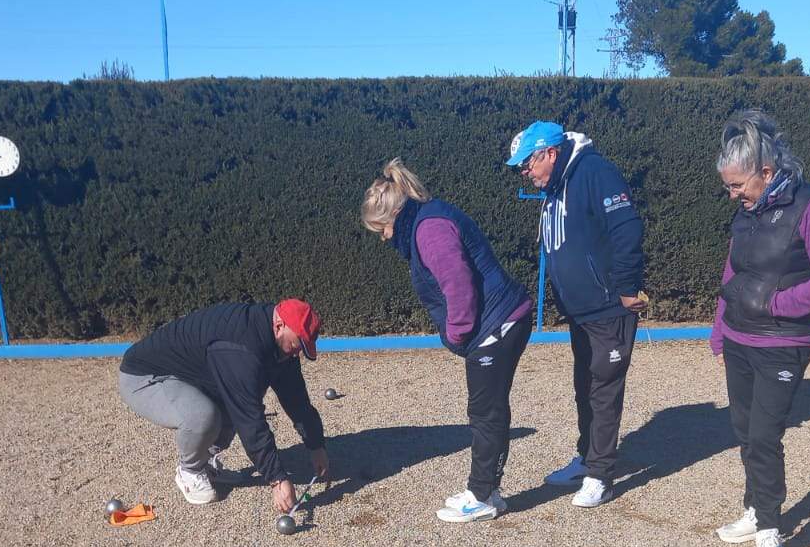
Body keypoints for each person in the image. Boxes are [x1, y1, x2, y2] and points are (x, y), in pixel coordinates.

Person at [709, 109, 810, 547]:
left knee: (764, 436)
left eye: (737, 185)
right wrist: (720, 328)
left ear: (766, 173)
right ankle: (755, 509)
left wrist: (777, 304)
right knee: (743, 431)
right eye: (728, 187)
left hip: (783, 341)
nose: (732, 194)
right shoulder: (746, 211)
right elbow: (733, 272)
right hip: (738, 337)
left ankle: (769, 532)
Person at [361, 158, 533, 522]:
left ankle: (482, 496)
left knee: (485, 413)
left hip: (495, 324)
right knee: (491, 409)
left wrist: (457, 333)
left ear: (393, 216)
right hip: (499, 320)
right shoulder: (425, 220)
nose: (383, 238)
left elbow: (458, 285)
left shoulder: (429, 229)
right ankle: (488, 490)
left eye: (381, 229)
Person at [506, 120, 647, 509]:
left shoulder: (594, 172)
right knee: (584, 385)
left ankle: (600, 475)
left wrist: (627, 289)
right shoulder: (556, 185)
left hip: (608, 306)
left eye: (527, 164)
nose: (524, 172)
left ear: (549, 153)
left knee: (604, 388)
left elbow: (626, 229)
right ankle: (587, 457)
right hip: (580, 311)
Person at [118, 299, 328, 515]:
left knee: (233, 404)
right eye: (297, 344)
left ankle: (204, 463)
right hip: (144, 376)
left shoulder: (282, 345)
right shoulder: (240, 349)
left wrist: (315, 444)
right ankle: (189, 471)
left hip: (188, 376)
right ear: (279, 326)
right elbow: (249, 418)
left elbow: (296, 397)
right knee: (203, 417)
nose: (297, 353)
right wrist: (277, 479)